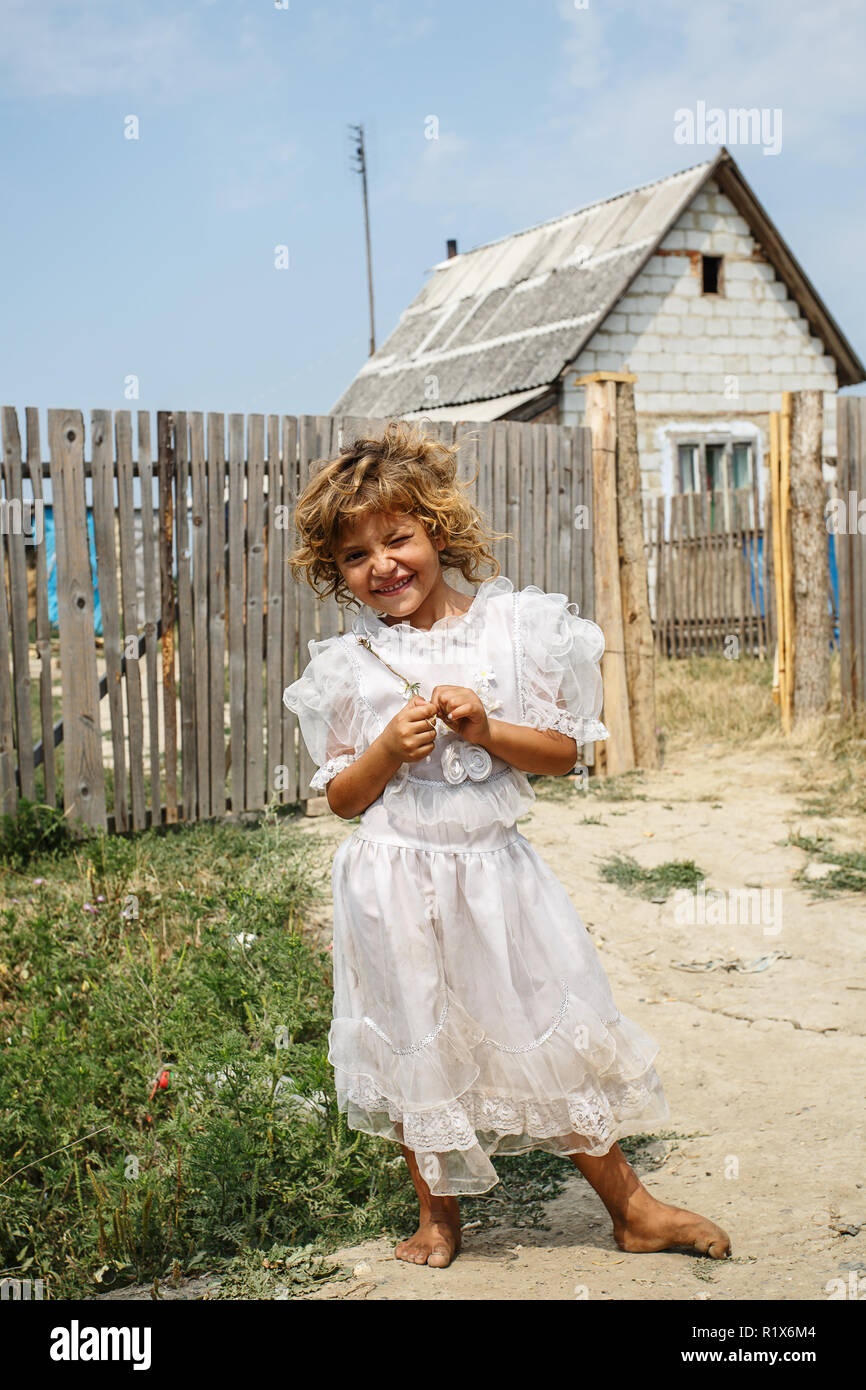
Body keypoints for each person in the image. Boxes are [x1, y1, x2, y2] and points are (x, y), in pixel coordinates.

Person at [282, 420, 731, 1269]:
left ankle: (632, 1208)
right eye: (353, 556)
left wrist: (487, 730)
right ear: (335, 574)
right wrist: (383, 751)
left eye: (398, 538)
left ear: (438, 532)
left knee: (539, 1019)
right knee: (416, 1034)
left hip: (495, 877)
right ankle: (439, 1218)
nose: (381, 565)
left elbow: (563, 757)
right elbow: (343, 799)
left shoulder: (517, 628)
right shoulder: (349, 664)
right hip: (390, 881)